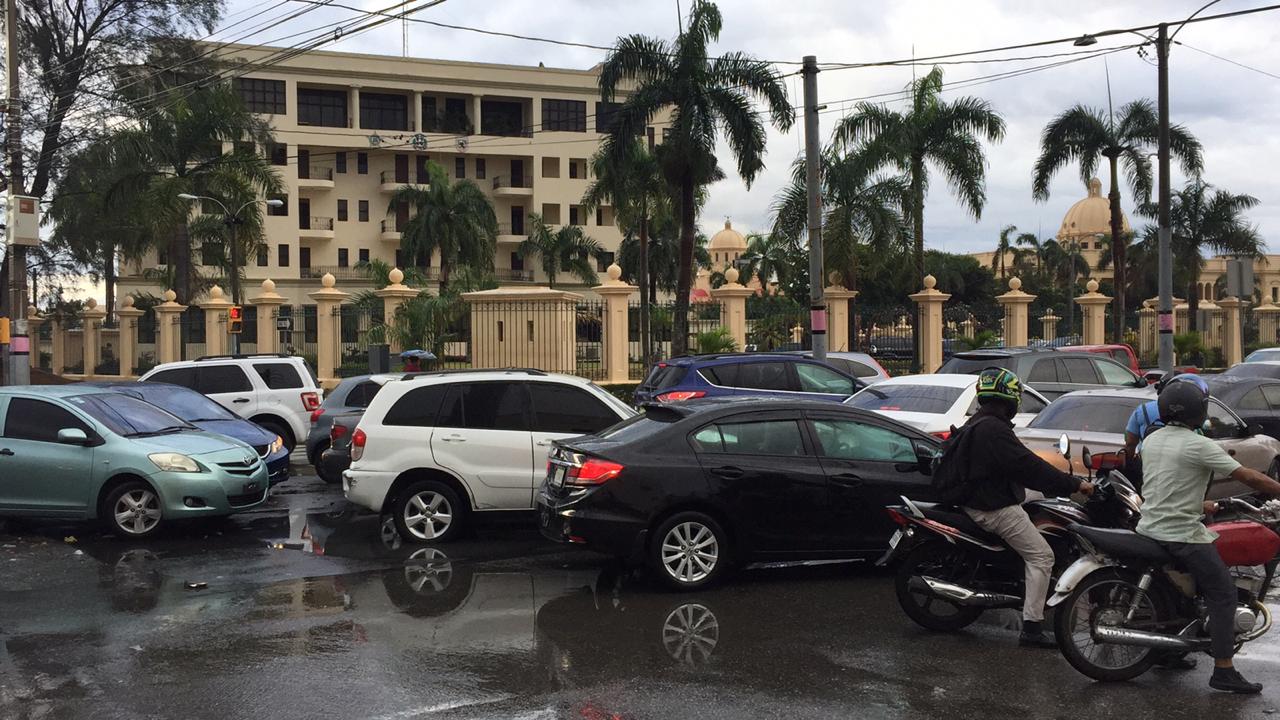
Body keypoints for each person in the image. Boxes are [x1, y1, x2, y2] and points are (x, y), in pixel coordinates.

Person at [1137, 377, 1280, 694]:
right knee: (1224, 592)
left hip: (1150, 526)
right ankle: (1224, 669)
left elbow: (1168, 481)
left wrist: (1199, 504)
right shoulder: (1198, 444)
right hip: (1181, 533)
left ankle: (1170, 651)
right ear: (1198, 411)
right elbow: (1248, 476)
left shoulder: (1153, 439)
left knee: (1181, 590)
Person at [950, 367, 1094, 648]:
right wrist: (1075, 484)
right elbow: (1028, 466)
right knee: (1042, 556)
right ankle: (1032, 628)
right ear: (1010, 398)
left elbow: (1022, 467)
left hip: (978, 497)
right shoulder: (994, 430)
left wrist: (1055, 483)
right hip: (991, 507)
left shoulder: (981, 422)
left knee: (1037, 500)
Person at [1122, 371, 1186, 490]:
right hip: (1179, 467)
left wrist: (1129, 464)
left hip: (1147, 466)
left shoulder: (1143, 409)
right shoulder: (1190, 412)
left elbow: (1130, 443)